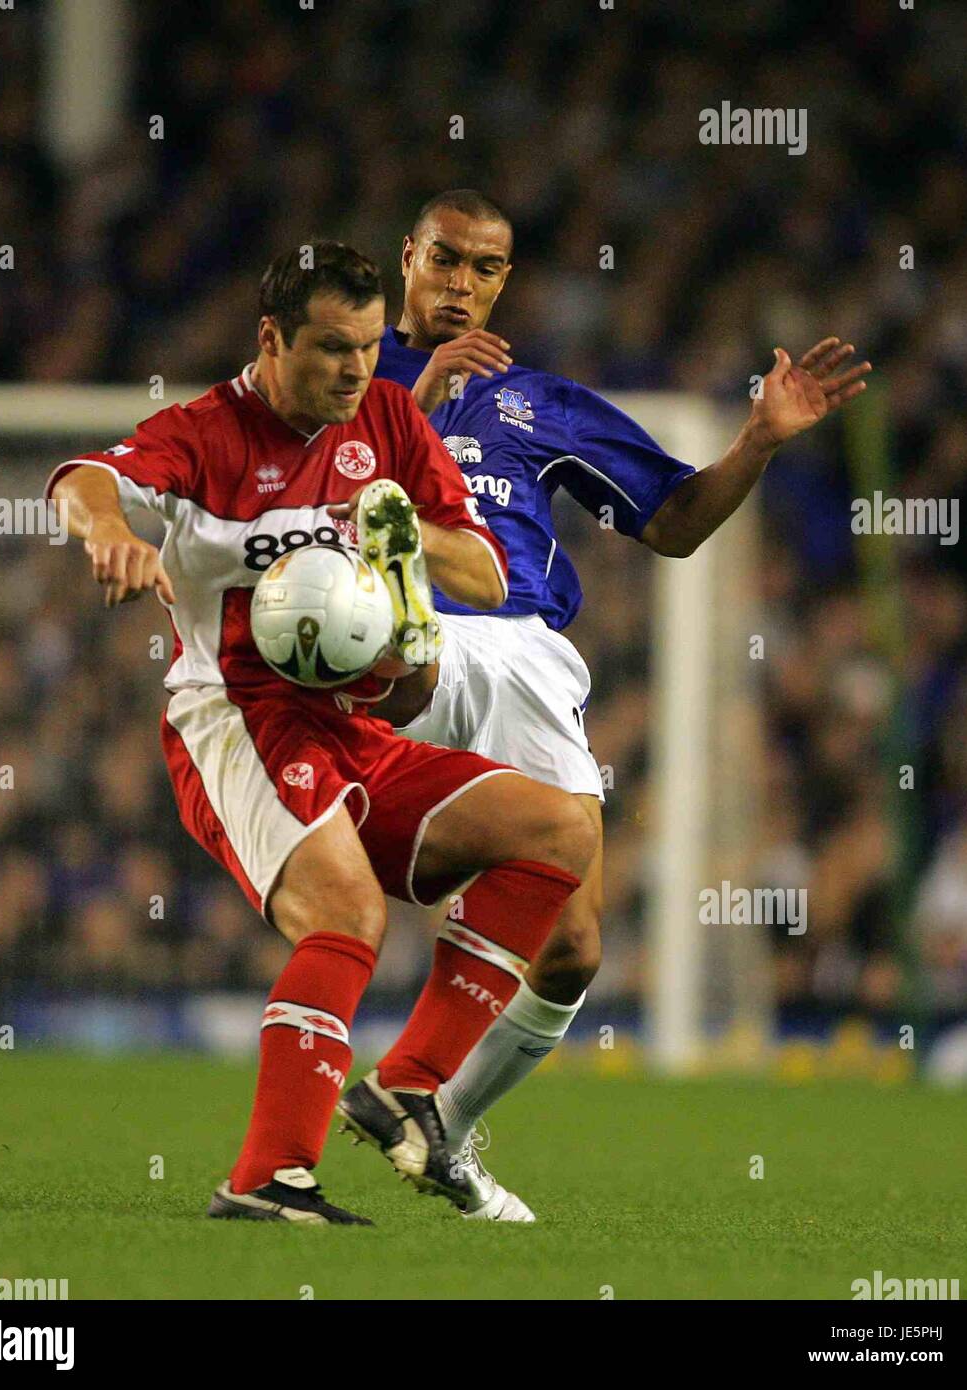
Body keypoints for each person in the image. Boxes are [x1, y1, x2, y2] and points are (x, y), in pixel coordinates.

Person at [342, 189, 872, 1219]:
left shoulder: (540, 405)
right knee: (388, 685)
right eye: (443, 260)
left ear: (506, 279)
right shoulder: (341, 374)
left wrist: (755, 442)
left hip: (523, 654)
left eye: (483, 268)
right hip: (395, 632)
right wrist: (408, 401)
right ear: (403, 258)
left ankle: (433, 1117)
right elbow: (281, 471)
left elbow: (670, 526)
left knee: (575, 944)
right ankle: (391, 649)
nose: (460, 284)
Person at [45, 241, 597, 1225]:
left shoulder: (385, 416)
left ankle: (409, 1086)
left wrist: (396, 532)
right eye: (333, 348)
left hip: (351, 727)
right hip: (235, 716)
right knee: (345, 910)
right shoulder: (204, 430)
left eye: (369, 345)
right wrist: (111, 536)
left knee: (559, 830)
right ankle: (267, 1179)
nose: (355, 370)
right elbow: (83, 479)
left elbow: (480, 570)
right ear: (270, 340)